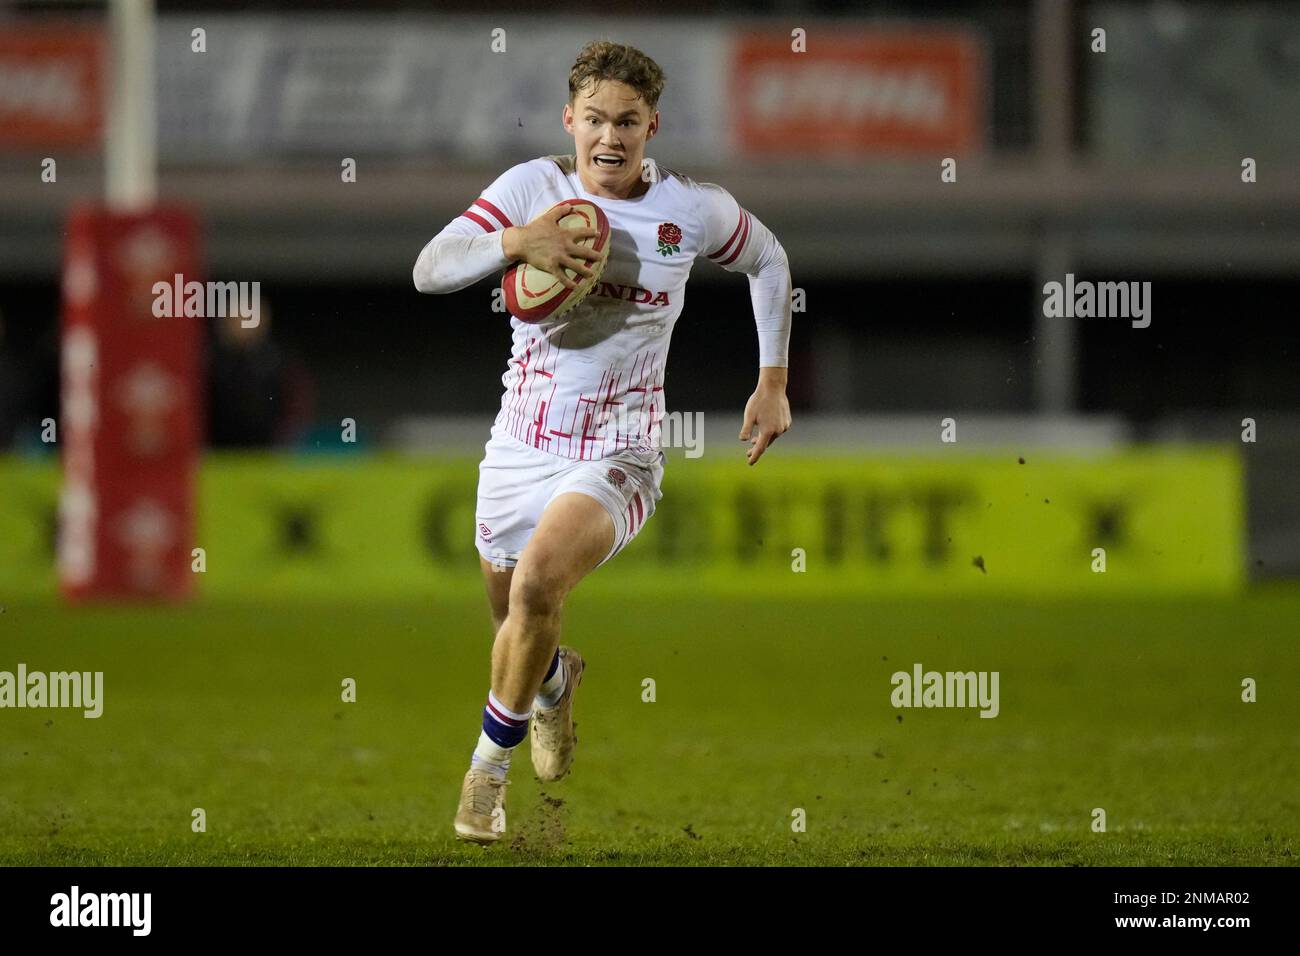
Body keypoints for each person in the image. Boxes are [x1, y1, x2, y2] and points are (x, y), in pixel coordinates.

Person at [413, 39, 793, 844]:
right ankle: (553, 683)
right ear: (569, 119)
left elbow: (769, 259)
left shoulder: (689, 210)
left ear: (653, 125)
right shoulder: (532, 188)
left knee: (539, 586)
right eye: (594, 119)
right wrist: (518, 243)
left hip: (620, 450)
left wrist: (772, 380)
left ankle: (486, 775)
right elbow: (431, 267)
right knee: (514, 620)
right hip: (519, 446)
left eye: (627, 121)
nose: (609, 137)